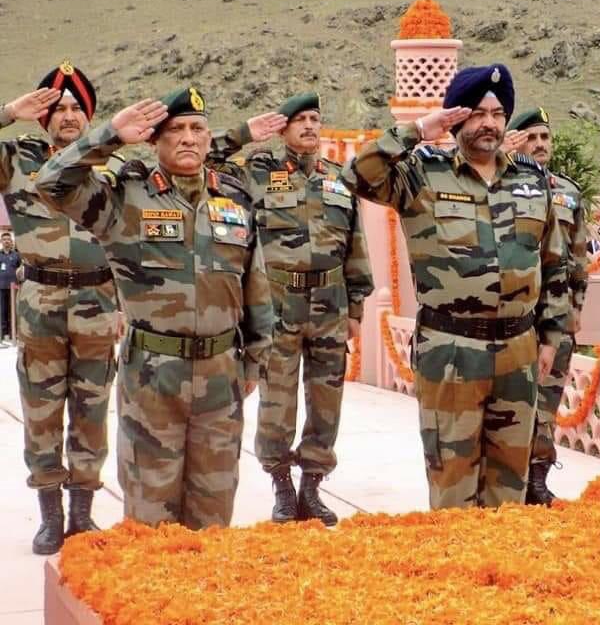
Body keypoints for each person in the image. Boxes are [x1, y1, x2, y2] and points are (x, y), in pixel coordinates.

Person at [36, 86, 274, 529]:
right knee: (150, 515)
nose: (188, 138)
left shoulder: (234, 199)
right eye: (176, 129)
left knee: (214, 512)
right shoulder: (124, 198)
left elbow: (254, 284)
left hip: (221, 375)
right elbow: (51, 183)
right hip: (152, 376)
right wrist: (109, 134)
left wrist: (256, 360)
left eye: (197, 129)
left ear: (209, 138)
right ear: (154, 141)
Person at [342, 64, 568, 509]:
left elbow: (553, 261)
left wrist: (551, 336)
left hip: (517, 351)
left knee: (510, 489)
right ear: (456, 119)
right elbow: (356, 176)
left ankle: (502, 554)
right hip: (451, 350)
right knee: (453, 486)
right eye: (478, 113)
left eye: (498, 114)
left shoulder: (529, 179)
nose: (489, 123)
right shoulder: (422, 174)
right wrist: (416, 131)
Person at [209, 92, 373, 526]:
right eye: (299, 120)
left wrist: (356, 306)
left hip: (330, 305)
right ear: (282, 129)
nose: (309, 126)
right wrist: (243, 134)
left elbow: (356, 244)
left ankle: (312, 488)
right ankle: (282, 486)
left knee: (327, 401)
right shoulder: (257, 173)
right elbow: (205, 158)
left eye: (315, 119)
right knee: (276, 401)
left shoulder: (338, 179)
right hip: (278, 303)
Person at [0, 62, 119, 554]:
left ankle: (83, 514)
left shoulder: (112, 168)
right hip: (40, 303)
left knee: (92, 411)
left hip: (98, 301)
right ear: (44, 117)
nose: (68, 116)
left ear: (89, 116)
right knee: (42, 411)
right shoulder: (16, 161)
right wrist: (9, 112)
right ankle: (50, 515)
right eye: (59, 108)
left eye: (76, 108)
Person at [504, 107, 588, 504]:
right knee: (510, 402)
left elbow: (578, 257)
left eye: (545, 137)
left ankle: (537, 481)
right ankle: (508, 480)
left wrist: (577, 308)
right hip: (515, 313)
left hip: (556, 315)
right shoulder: (502, 186)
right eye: (531, 138)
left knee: (547, 401)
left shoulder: (568, 192)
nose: (540, 145)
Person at [0, 231, 21, 342]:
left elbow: (20, 270)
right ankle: (4, 334)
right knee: (2, 311)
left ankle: (14, 333)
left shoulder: (16, 255)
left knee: (14, 311)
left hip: (14, 288)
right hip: (1, 287)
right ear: (1, 241)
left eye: (8, 239)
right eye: (4, 239)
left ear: (11, 241)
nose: (6, 241)